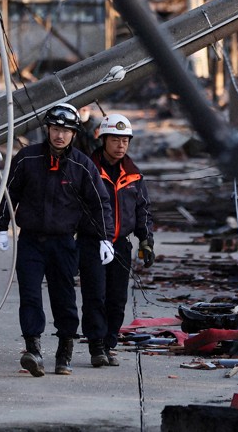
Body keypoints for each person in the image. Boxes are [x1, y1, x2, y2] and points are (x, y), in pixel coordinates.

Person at [0, 103, 115, 376]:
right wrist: (1, 227)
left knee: (64, 297)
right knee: (30, 294)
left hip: (63, 242)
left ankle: (65, 350)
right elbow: (9, 193)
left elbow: (99, 203)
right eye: (56, 129)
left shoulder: (81, 165)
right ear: (47, 130)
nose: (60, 136)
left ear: (74, 133)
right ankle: (33, 349)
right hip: (30, 241)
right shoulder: (27, 158)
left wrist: (105, 238)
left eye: (66, 131)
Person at [85, 113, 155, 365]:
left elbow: (143, 210)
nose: (121, 145)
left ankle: (109, 343)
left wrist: (146, 240)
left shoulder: (133, 174)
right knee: (95, 296)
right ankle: (96, 347)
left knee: (117, 299)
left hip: (120, 246)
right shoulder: (88, 169)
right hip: (92, 244)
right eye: (115, 139)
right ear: (103, 140)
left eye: (125, 140)